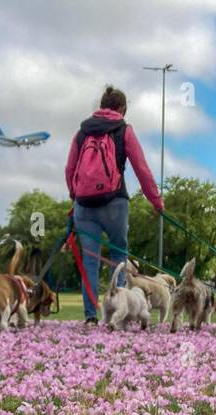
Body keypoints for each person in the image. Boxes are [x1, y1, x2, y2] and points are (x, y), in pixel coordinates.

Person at [65, 85, 164, 324]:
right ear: (121, 109)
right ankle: (119, 314)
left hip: (84, 206)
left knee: (90, 259)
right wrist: (156, 201)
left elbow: (69, 169)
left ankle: (90, 316)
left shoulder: (82, 132)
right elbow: (142, 168)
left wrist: (74, 196)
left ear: (101, 106)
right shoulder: (124, 130)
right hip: (115, 203)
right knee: (119, 254)